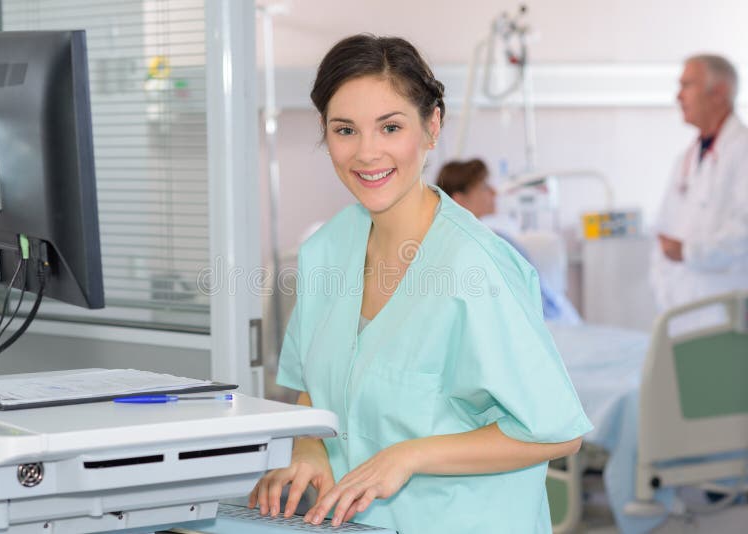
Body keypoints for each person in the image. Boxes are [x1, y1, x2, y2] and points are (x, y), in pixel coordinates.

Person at [249, 34, 592, 533]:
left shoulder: (474, 268)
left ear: (432, 128)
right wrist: (309, 449)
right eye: (345, 130)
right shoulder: (327, 250)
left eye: (390, 127)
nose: (367, 153)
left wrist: (407, 457)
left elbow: (557, 433)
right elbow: (312, 389)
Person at [651, 54, 748, 324]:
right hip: (681, 312)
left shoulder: (743, 153)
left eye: (687, 85)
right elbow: (662, 237)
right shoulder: (685, 160)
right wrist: (664, 294)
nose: (678, 97)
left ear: (719, 92)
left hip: (727, 313)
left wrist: (689, 252)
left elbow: (743, 235)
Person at [436, 159, 581, 324]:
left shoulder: (448, 243)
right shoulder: (490, 243)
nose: (494, 192)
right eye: (483, 187)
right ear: (458, 200)